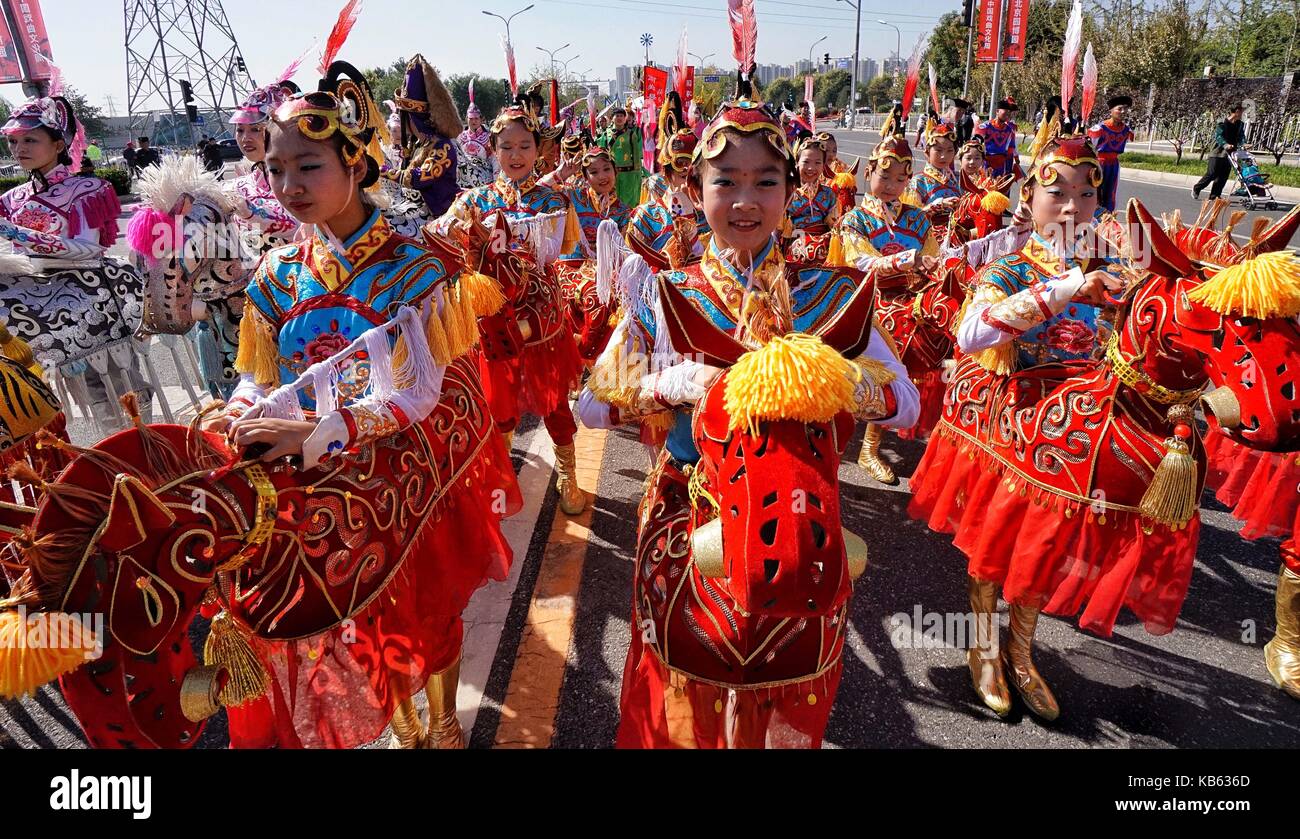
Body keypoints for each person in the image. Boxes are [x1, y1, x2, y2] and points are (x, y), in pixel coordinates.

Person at [579, 94, 918, 749]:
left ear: (793, 187)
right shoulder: (666, 291)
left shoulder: (828, 292)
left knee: (782, 674)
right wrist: (675, 382)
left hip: (795, 515)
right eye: (724, 181)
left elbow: (906, 403)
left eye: (766, 180)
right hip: (690, 508)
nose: (745, 199)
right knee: (688, 672)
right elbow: (592, 402)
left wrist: (830, 377)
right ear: (693, 188)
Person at [219, 58, 521, 750]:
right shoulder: (276, 274)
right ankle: (403, 718)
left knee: (430, 608)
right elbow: (258, 375)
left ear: (356, 165)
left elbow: (420, 391)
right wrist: (239, 411)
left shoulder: (415, 264)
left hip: (401, 465)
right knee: (339, 617)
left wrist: (324, 429)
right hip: (308, 470)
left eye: (308, 167)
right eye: (276, 170)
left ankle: (441, 719)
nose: (288, 186)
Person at [908, 120, 1128, 722]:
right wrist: (1062, 290)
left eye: (1087, 192)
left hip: (1074, 441)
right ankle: (983, 648)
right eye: (1057, 191)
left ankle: (1022, 651)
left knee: (1045, 549)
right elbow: (970, 331)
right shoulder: (1011, 268)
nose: (1073, 205)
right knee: (995, 545)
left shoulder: (1112, 271)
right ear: (1029, 196)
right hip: (1012, 431)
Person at [434, 103, 588, 516]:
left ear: (539, 149)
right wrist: (460, 233)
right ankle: (498, 482)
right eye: (506, 146)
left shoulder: (555, 198)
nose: (515, 155)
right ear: (492, 149)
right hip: (493, 319)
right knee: (498, 404)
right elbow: (439, 240)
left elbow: (563, 251)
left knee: (554, 401)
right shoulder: (473, 200)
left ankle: (568, 474)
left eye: (524, 145)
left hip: (543, 318)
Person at [0, 94, 152, 429]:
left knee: (120, 398)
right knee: (67, 402)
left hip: (92, 302)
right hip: (40, 311)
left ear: (58, 144)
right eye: (12, 141)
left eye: (29, 140)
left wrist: (18, 234)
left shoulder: (86, 188)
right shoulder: (11, 199)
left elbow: (87, 250)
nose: (18, 148)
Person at [386, 55, 462, 218]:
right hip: (417, 211)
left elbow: (420, 178)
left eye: (403, 115)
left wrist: (384, 172)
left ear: (412, 117)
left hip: (443, 216)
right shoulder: (418, 144)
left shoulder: (442, 146)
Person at [782, 135, 840, 264]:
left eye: (817, 163)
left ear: (824, 165)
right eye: (806, 162)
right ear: (797, 162)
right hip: (795, 247)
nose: (811, 168)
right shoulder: (787, 192)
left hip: (824, 247)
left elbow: (835, 227)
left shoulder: (829, 194)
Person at [1088, 94, 1134, 212]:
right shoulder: (1100, 128)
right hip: (1099, 163)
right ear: (1111, 111)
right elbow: (1091, 147)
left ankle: (1108, 216)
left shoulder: (1126, 130)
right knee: (1096, 188)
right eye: (1119, 109)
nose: (1123, 111)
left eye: (1125, 109)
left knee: (1112, 191)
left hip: (1114, 164)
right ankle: (1093, 215)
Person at [1193, 103, 1246, 200]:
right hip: (1217, 151)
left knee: (1223, 175)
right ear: (1237, 111)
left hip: (1230, 153)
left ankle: (1215, 195)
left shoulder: (1240, 124)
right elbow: (1218, 136)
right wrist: (1225, 144)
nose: (1243, 113)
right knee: (1212, 173)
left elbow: (1241, 136)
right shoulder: (1222, 122)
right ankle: (1197, 188)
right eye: (1242, 111)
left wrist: (1243, 143)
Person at [598, 106, 643, 207]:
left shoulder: (631, 135)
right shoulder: (606, 134)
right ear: (612, 118)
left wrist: (637, 174)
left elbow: (636, 155)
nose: (619, 118)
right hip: (612, 173)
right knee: (612, 199)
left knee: (629, 200)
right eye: (617, 115)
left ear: (625, 118)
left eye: (622, 116)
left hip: (629, 174)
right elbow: (601, 153)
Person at [974, 98, 1023, 181]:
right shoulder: (986, 126)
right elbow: (977, 139)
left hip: (1001, 165)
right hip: (987, 163)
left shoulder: (1009, 130)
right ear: (997, 111)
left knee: (1001, 188)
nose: (1008, 114)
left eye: (1009, 112)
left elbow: (1011, 147)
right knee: (985, 188)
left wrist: (1016, 158)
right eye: (1005, 111)